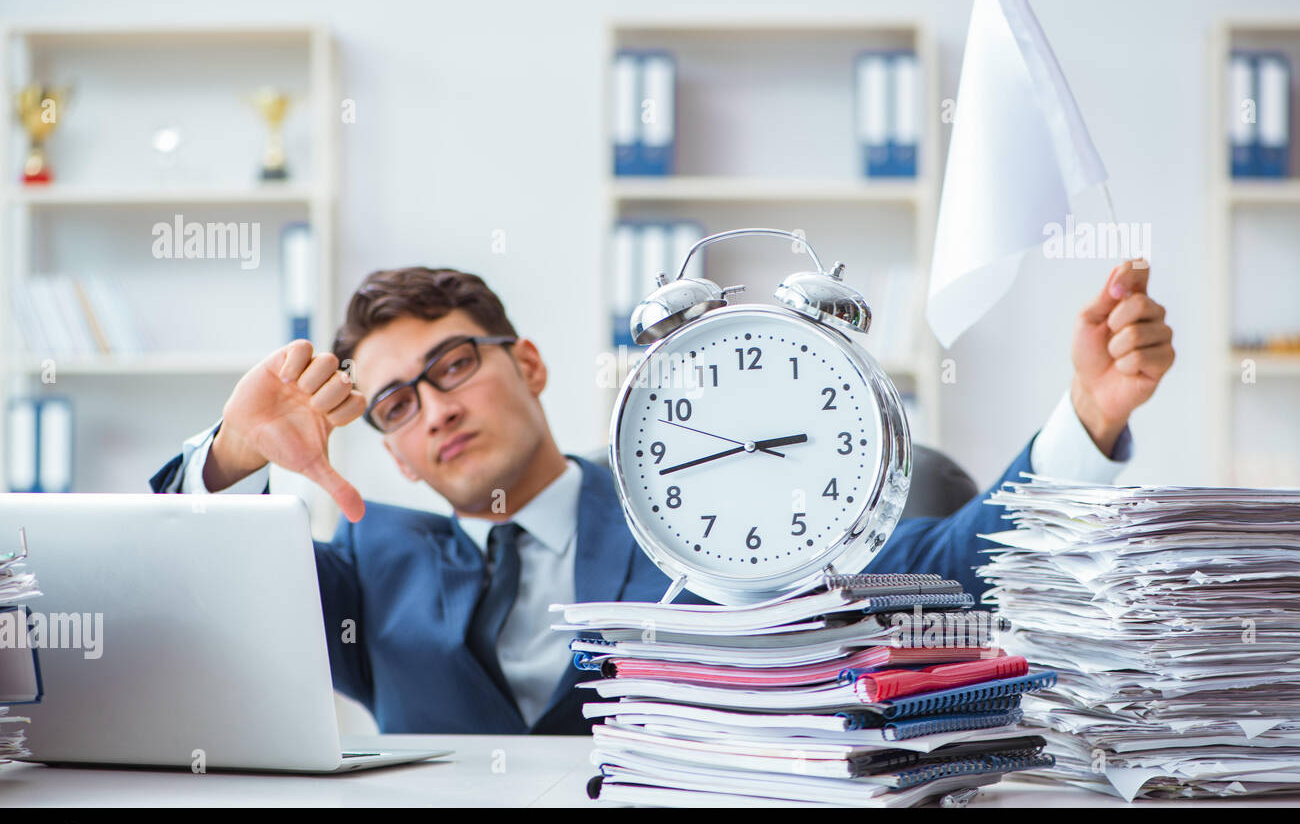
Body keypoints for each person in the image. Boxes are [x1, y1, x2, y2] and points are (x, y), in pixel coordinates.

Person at [150, 260, 1174, 734]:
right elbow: (190, 613)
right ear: (398, 456)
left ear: (532, 365)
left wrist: (1087, 412)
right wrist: (231, 456)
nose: (433, 410)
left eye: (454, 363)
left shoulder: (706, 512)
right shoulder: (367, 567)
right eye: (394, 405)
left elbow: (953, 566)